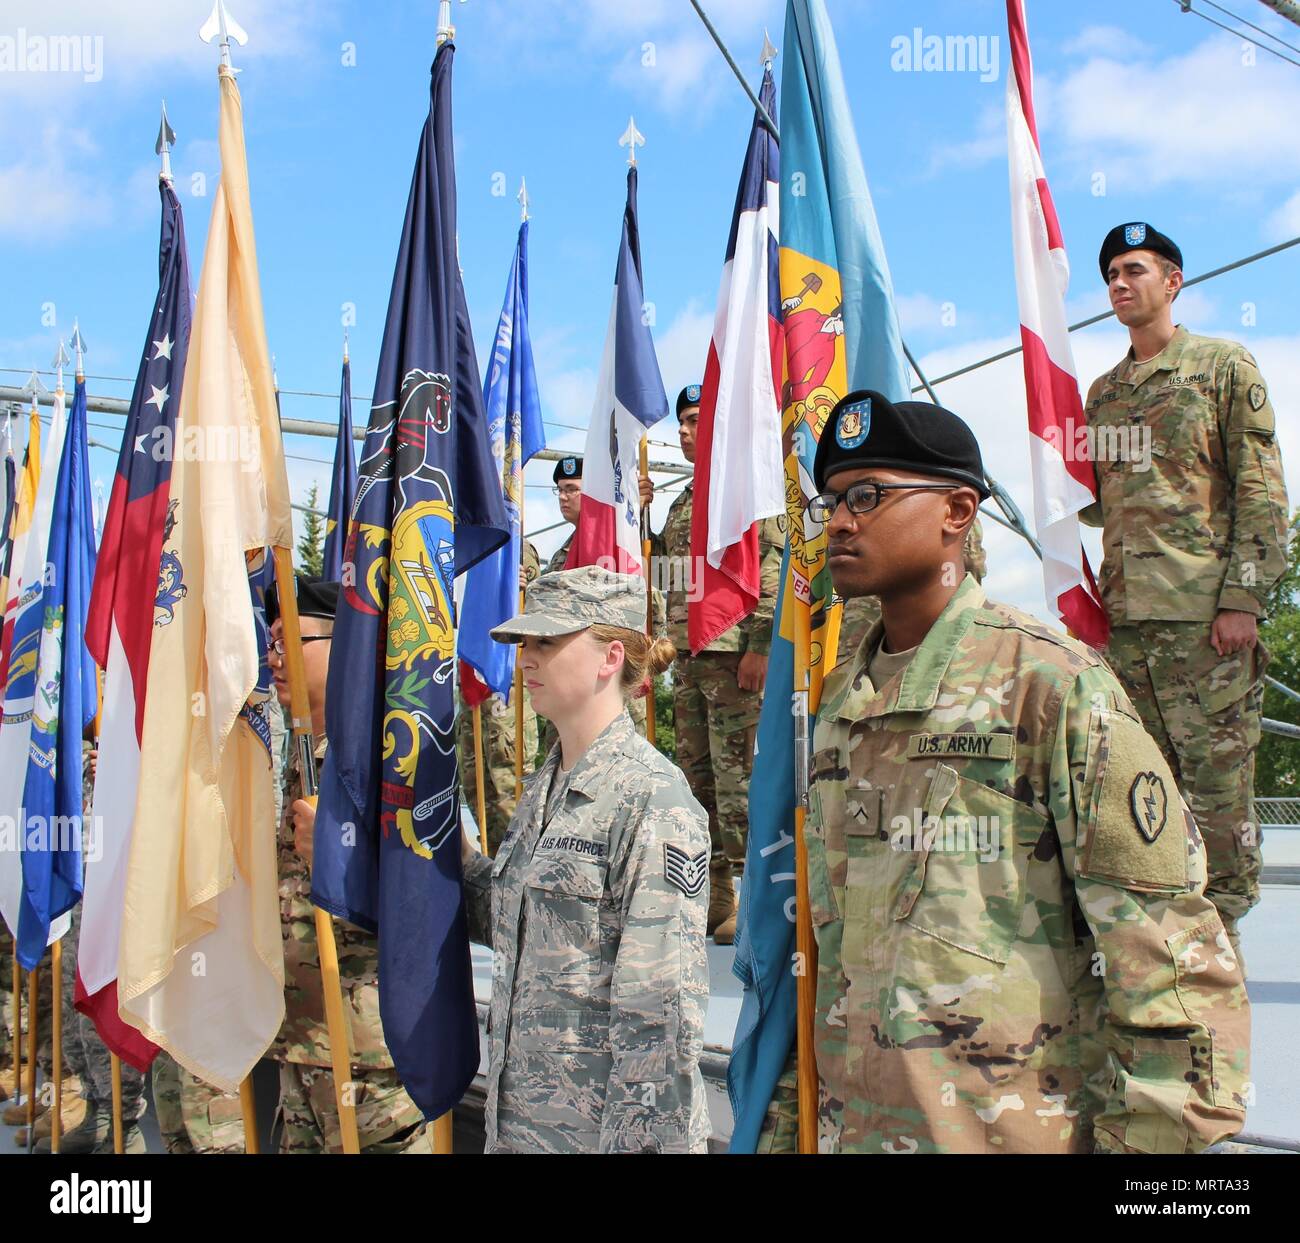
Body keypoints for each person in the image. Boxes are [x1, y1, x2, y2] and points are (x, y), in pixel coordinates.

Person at [765, 388, 1249, 1154]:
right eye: (830, 502)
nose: (841, 521)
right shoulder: (839, 707)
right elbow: (834, 963)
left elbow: (1171, 961)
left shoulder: (1049, 684)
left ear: (957, 511)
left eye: (867, 495)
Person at [1082, 223, 1289, 955]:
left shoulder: (1223, 366)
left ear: (1172, 281)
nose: (1118, 283)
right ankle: (1163, 941)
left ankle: (1221, 939)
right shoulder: (1103, 394)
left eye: (1134, 269)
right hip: (1127, 627)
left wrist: (1244, 599)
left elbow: (1264, 494)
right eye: (1110, 273)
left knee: (1219, 791)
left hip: (1205, 625)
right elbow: (1097, 501)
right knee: (1144, 792)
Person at [462, 565, 710, 1153]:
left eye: (547, 642)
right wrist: (448, 858)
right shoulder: (542, 789)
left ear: (610, 658)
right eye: (525, 644)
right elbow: (524, 932)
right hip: (525, 1128)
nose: (526, 659)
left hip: (606, 1137)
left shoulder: (653, 800)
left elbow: (662, 1013)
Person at [265, 575, 431, 1153]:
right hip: (300, 1040)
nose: (273, 657)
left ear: (344, 644)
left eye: (290, 641)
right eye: (270, 641)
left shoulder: (388, 751)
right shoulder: (291, 749)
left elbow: (429, 892)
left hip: (368, 1048)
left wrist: (342, 857)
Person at [643, 385, 785, 943]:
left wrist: (761, 645)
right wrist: (641, 519)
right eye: (680, 423)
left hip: (733, 658)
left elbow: (768, 567)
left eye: (696, 420)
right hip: (691, 657)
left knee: (740, 788)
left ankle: (762, 905)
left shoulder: (742, 493)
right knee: (696, 784)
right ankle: (717, 899)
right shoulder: (681, 501)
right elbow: (666, 576)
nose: (683, 431)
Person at [457, 540, 541, 854]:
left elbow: (536, 599)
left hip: (504, 678)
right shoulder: (461, 539)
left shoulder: (513, 544)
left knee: (510, 786)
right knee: (476, 785)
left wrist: (522, 584)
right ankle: (492, 869)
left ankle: (522, 869)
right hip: (471, 680)